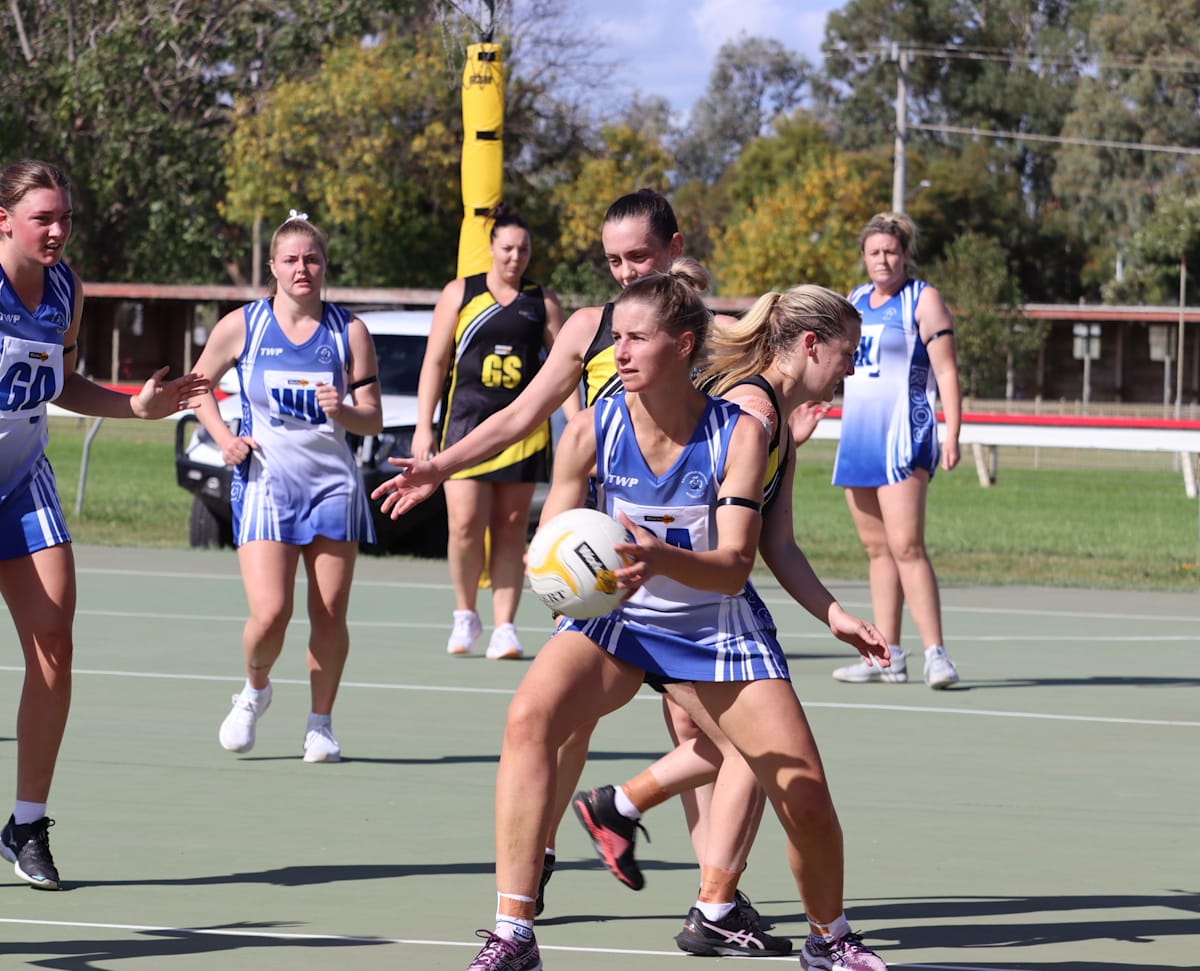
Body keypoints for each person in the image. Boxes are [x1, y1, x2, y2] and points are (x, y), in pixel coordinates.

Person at [463, 264, 889, 971]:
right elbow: (554, 546)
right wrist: (560, 573)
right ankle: (514, 934)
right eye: (617, 337)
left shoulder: (739, 434)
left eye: (637, 338)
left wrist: (660, 557)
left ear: (684, 344)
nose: (619, 352)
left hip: (714, 624)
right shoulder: (590, 430)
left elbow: (733, 566)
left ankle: (830, 939)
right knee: (528, 718)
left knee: (803, 790)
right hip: (616, 620)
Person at [373, 189, 774, 936]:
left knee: (698, 737)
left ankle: (713, 898)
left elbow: (753, 426)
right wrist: (438, 464)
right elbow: (521, 415)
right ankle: (544, 855)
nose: (625, 273)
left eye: (640, 258)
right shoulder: (592, 329)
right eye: (614, 259)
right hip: (595, 556)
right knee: (559, 723)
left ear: (675, 246)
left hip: (683, 565)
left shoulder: (704, 342)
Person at [0, 158, 207, 889]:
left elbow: (64, 384)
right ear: (4, 221)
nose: (56, 231)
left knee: (54, 641)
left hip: (21, 478)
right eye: (41, 218)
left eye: (63, 218)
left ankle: (26, 824)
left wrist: (137, 406)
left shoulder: (66, 290)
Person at [190, 211, 382, 763]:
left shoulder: (349, 332)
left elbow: (372, 416)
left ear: (324, 266)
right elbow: (198, 387)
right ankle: (254, 690)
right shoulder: (243, 326)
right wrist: (224, 437)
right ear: (272, 267)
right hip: (267, 485)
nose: (303, 268)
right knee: (270, 613)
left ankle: (320, 725)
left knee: (329, 614)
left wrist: (345, 409)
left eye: (312, 258)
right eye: (292, 259)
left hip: (333, 489)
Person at [413, 203, 565, 660]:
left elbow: (564, 368)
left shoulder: (543, 303)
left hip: (522, 434)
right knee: (464, 525)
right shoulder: (461, 294)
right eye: (506, 248)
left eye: (523, 249)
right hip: (464, 429)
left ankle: (504, 626)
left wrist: (579, 422)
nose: (515, 257)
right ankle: (465, 614)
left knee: (512, 528)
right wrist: (425, 426)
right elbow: (436, 363)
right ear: (492, 249)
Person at [831, 212, 963, 689]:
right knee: (876, 550)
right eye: (873, 253)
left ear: (905, 254)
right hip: (858, 435)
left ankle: (936, 655)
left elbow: (946, 371)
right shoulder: (855, 300)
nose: (882, 260)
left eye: (890, 251)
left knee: (907, 546)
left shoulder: (922, 300)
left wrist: (953, 431)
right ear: (864, 257)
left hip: (904, 434)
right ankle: (886, 655)